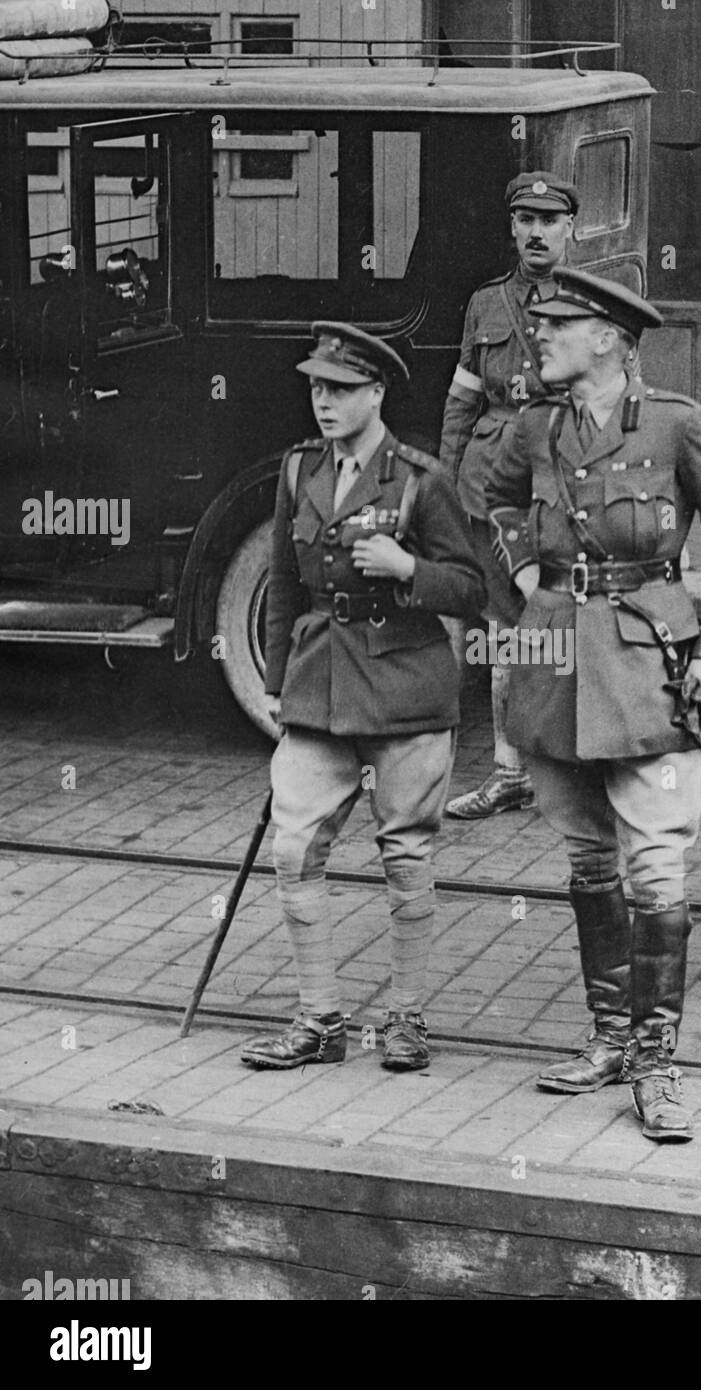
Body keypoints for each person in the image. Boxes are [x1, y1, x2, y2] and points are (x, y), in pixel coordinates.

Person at [485, 268, 701, 1141]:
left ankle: (657, 1061)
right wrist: (529, 571)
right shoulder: (535, 427)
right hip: (557, 666)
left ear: (607, 337)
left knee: (655, 869)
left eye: (558, 326)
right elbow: (492, 500)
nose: (541, 339)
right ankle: (608, 1036)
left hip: (651, 667)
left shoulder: (680, 424)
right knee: (586, 860)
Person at [240, 323, 485, 1073]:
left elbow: (476, 589)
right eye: (316, 387)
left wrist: (408, 566)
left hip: (406, 686)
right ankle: (319, 1020)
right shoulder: (296, 471)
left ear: (376, 393)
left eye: (341, 390)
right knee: (292, 849)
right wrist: (279, 682)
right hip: (319, 689)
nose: (324, 402)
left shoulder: (420, 479)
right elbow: (284, 582)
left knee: (406, 853)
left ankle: (405, 1019)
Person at [440, 171, 584, 819]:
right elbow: (463, 399)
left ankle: (574, 770)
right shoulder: (485, 303)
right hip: (488, 489)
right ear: (512, 227)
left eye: (549, 220)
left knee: (566, 631)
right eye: (525, 218)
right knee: (502, 632)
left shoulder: (590, 301)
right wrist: (444, 484)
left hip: (557, 490)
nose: (535, 231)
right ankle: (508, 771)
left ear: (570, 229)